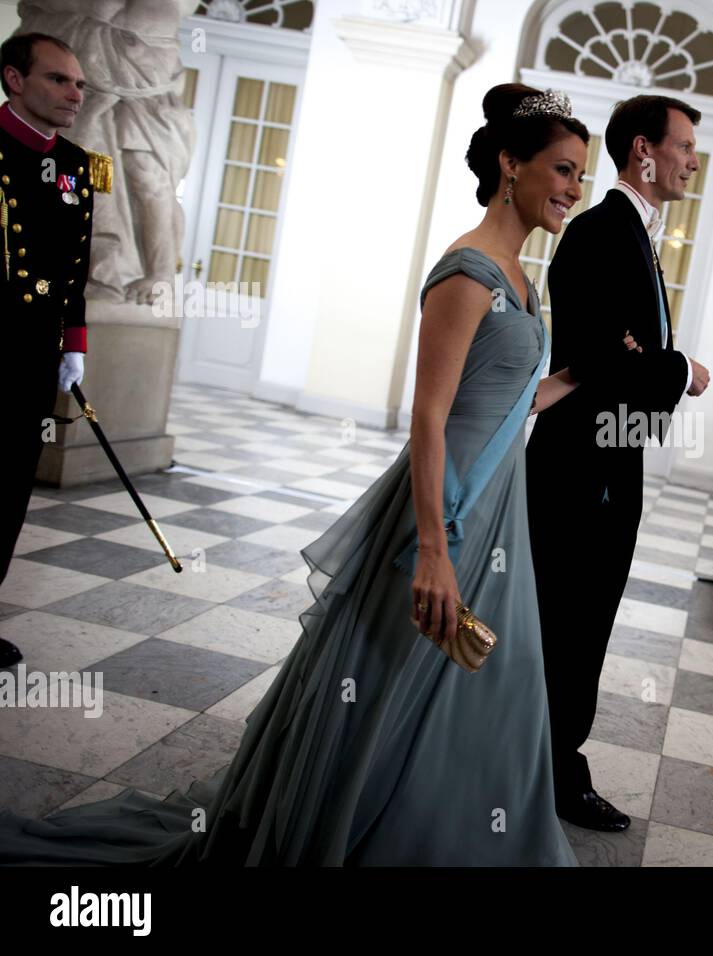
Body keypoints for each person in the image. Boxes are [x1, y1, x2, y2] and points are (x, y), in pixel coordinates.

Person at [0, 83, 622, 865]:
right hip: (444, 512)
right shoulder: (468, 273)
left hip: (498, 510)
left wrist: (583, 376)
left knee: (485, 685)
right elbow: (429, 416)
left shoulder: (523, 279)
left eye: (579, 174)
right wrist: (433, 548)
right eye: (563, 170)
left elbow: (505, 401)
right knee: (397, 680)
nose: (573, 188)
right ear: (510, 164)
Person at [527, 95, 711, 831]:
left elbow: (619, 354)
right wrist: (676, 370)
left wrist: (645, 359)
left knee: (581, 622)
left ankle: (548, 762)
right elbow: (602, 358)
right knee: (568, 623)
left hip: (610, 460)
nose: (693, 160)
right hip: (582, 470)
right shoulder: (602, 232)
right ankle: (553, 772)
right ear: (645, 149)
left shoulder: (638, 235)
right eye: (684, 145)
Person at [0, 33, 103, 669]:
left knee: (10, 487)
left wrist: (74, 344)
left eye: (80, 84)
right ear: (14, 79)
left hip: (34, 355)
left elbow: (77, 265)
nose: (74, 94)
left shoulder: (78, 165)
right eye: (59, 80)